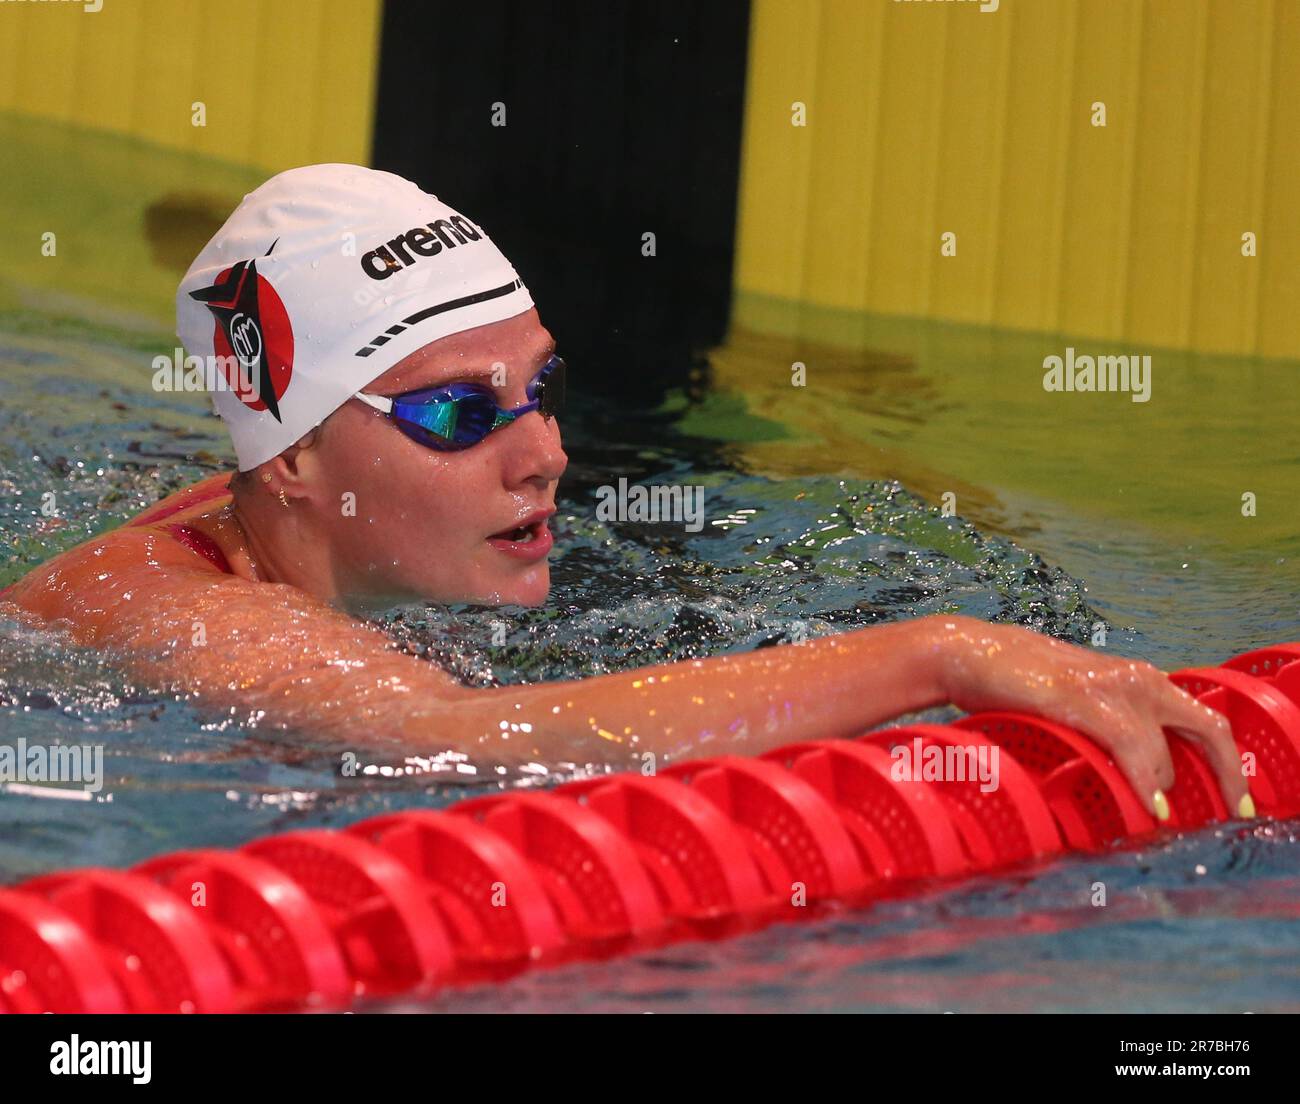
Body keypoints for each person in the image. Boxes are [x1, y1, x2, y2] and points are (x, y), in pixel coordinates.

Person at [0, 165, 1252, 820]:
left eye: (540, 387)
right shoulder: (170, 609)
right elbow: (447, 739)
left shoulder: (341, 532)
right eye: (461, 413)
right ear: (291, 461)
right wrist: (937, 656)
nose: (542, 450)